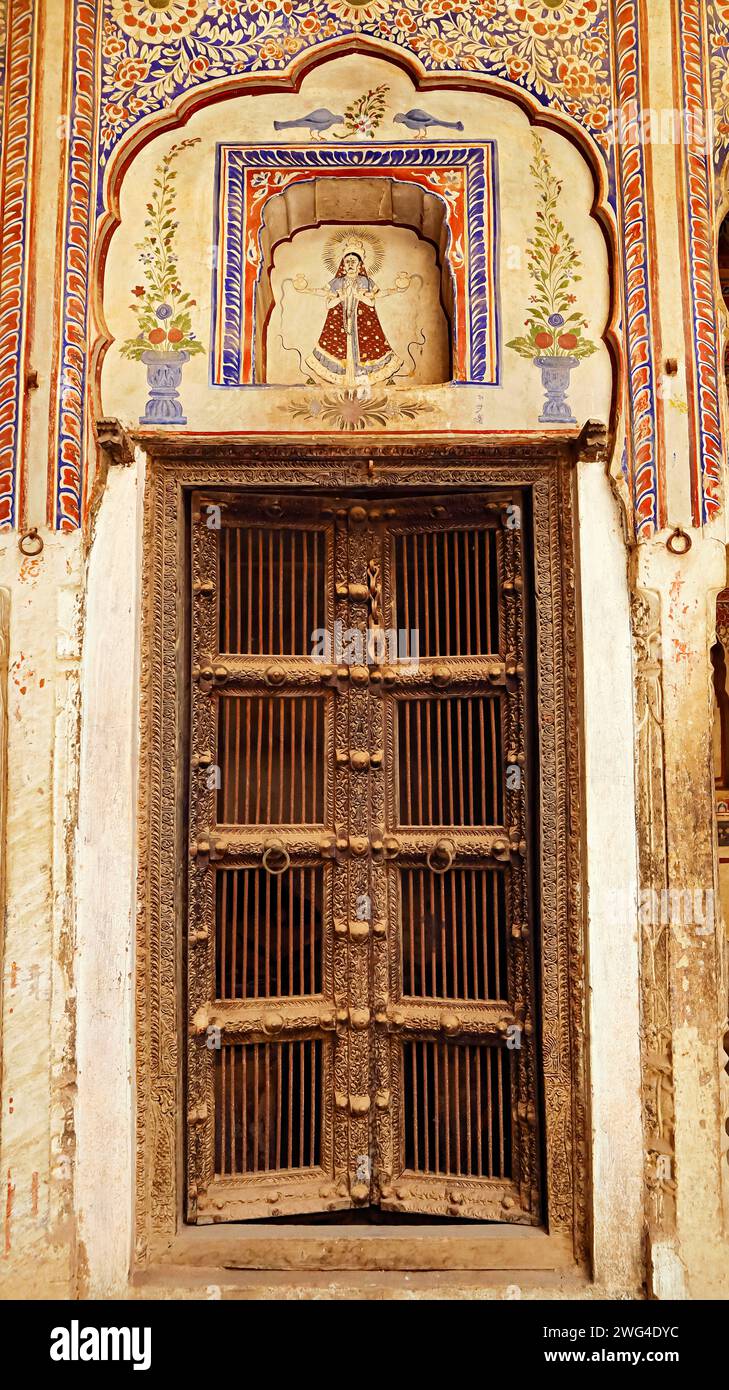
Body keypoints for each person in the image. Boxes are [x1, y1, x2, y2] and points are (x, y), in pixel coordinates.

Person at [295, 242, 404, 388]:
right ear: (343, 265)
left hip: (363, 326)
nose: (351, 264)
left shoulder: (366, 281)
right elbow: (326, 299)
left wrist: (397, 289)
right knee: (341, 351)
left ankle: (359, 381)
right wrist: (305, 289)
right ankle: (346, 381)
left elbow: (374, 299)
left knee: (363, 351)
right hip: (340, 326)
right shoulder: (337, 282)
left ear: (360, 265)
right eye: (347, 261)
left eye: (354, 261)